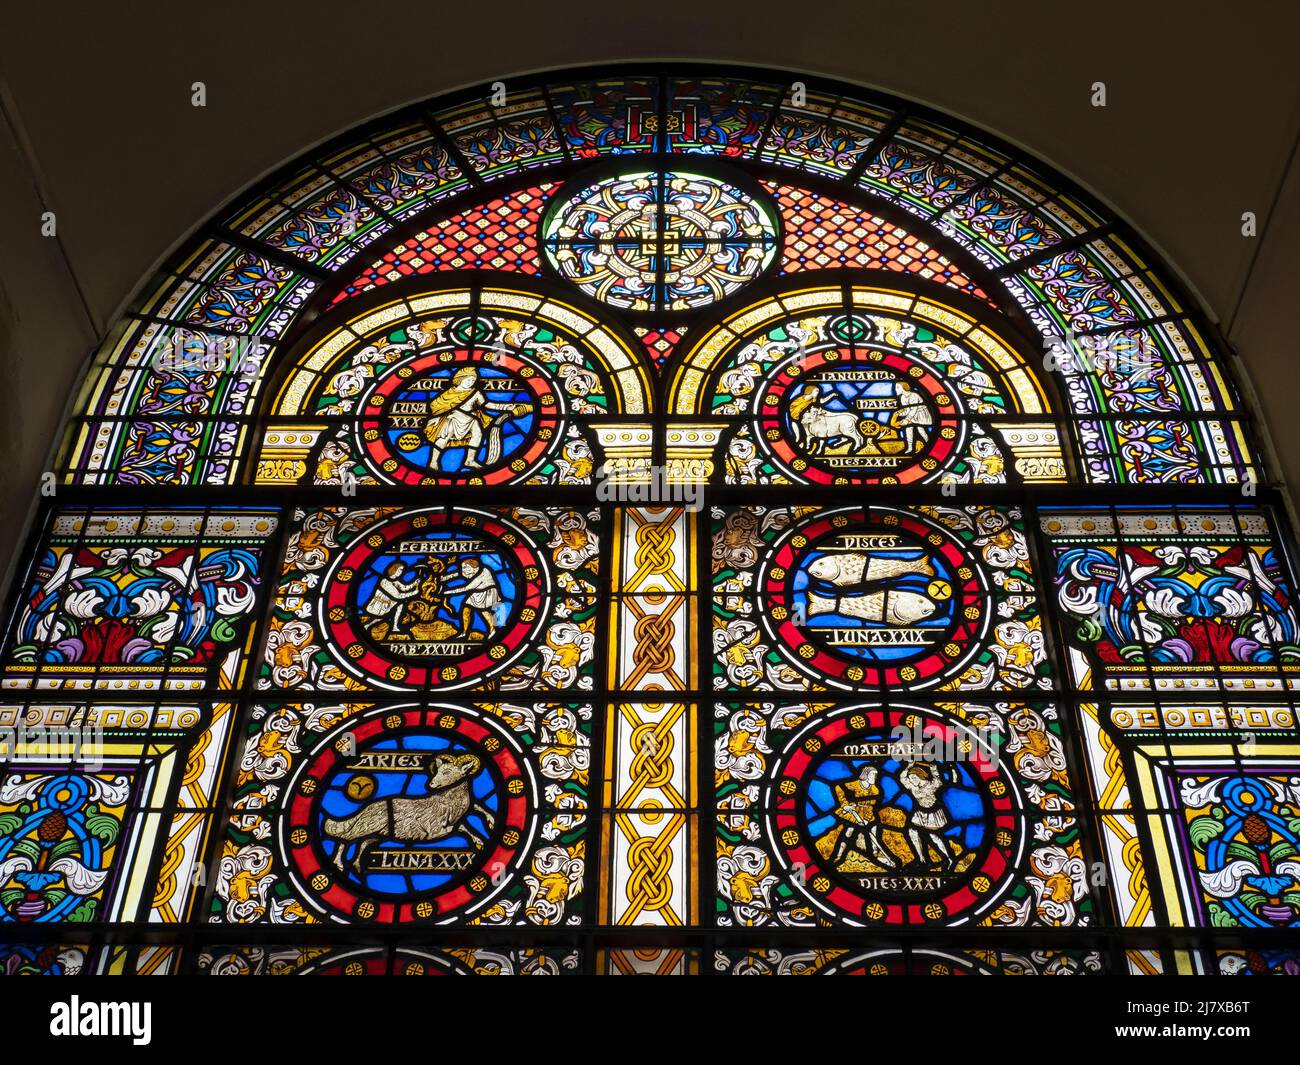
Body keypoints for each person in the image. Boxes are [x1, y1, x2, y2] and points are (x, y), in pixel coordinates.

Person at [421, 366, 529, 471]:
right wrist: (439, 415)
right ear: (460, 379)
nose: (470, 382)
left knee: (478, 435)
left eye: (473, 380)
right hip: (453, 417)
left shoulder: (475, 393)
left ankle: (470, 460)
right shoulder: (449, 393)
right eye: (468, 380)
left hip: (470, 419)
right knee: (445, 437)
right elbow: (436, 405)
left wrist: (506, 407)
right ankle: (433, 462)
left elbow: (488, 405)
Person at [360, 561, 422, 638]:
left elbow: (404, 588)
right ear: (394, 570)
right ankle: (367, 626)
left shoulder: (395, 581)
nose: (401, 572)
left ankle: (394, 627)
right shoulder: (385, 582)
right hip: (379, 605)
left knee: (399, 606)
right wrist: (414, 593)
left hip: (388, 604)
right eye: (400, 570)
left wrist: (415, 583)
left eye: (401, 570)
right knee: (378, 618)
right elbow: (398, 596)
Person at [451, 557, 502, 640]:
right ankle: (464, 632)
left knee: (484, 611)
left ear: (472, 567)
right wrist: (444, 578)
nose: (463, 569)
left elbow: (465, 588)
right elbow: (458, 574)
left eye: (465, 567)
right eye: (462, 567)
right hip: (477, 592)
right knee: (466, 609)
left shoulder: (483, 574)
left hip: (487, 592)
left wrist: (445, 592)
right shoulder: (473, 571)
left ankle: (492, 630)